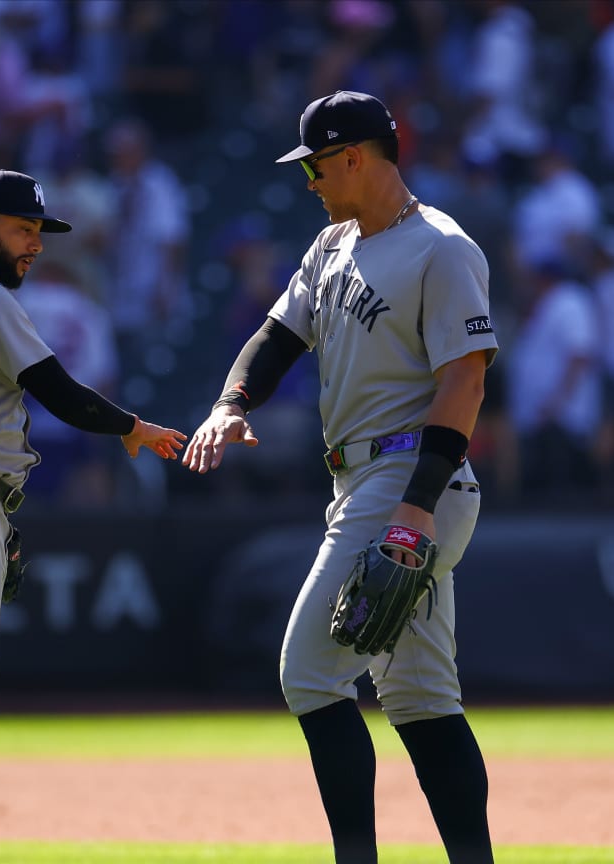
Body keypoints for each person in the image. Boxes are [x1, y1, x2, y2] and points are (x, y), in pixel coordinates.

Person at [182, 91, 497, 864]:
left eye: (317, 166)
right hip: (358, 483)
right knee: (422, 698)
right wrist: (231, 403)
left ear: (354, 156)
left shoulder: (441, 248)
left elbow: (465, 383)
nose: (311, 181)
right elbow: (277, 337)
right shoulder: (331, 247)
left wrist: (416, 510)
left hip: (408, 478)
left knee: (309, 673)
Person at [0, 169, 185, 864]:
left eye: (39, 233)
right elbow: (62, 394)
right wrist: (135, 428)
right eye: (22, 230)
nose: (35, 247)